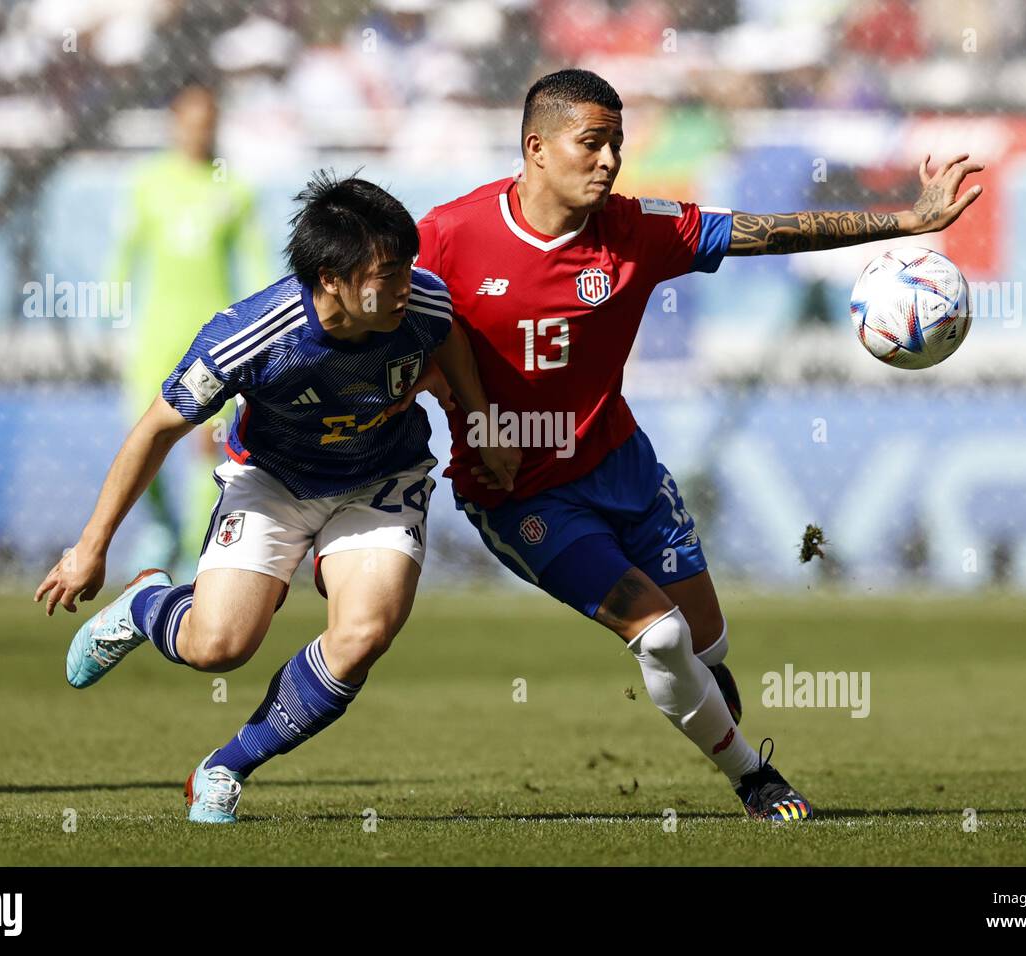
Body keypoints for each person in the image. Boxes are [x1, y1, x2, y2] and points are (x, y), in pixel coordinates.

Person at [406, 68, 982, 821]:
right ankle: (754, 777)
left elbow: (766, 231)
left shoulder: (640, 230)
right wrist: (468, 421)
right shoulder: (447, 236)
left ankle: (707, 704)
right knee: (663, 636)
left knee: (705, 644)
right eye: (593, 143)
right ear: (535, 147)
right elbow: (398, 350)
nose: (611, 160)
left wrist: (906, 222)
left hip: (625, 468)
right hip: (522, 497)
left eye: (617, 142)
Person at [36, 172, 518, 824]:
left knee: (363, 634)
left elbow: (450, 340)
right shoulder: (249, 336)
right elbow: (155, 430)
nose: (408, 284)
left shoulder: (423, 306)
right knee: (219, 647)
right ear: (330, 278)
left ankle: (227, 766)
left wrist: (481, 422)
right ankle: (146, 602)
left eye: (409, 265)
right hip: (271, 483)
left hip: (380, 481)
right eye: (387, 273)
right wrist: (89, 549)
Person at [110, 82, 269, 575]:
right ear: (175, 122)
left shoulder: (235, 188)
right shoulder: (148, 182)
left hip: (212, 332)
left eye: (209, 121)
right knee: (139, 430)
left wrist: (261, 332)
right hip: (157, 331)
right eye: (192, 121)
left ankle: (192, 553)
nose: (200, 131)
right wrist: (113, 320)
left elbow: (257, 265)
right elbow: (123, 255)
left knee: (208, 440)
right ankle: (162, 524)